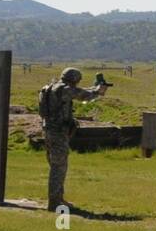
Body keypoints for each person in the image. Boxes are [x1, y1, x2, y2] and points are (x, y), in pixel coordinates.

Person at [39, 68, 110, 211]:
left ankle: (58, 199)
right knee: (58, 167)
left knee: (56, 166)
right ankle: (55, 202)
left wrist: (95, 88)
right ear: (73, 79)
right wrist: (99, 90)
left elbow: (78, 91)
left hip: (49, 131)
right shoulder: (64, 89)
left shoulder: (52, 87)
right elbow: (84, 95)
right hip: (58, 132)